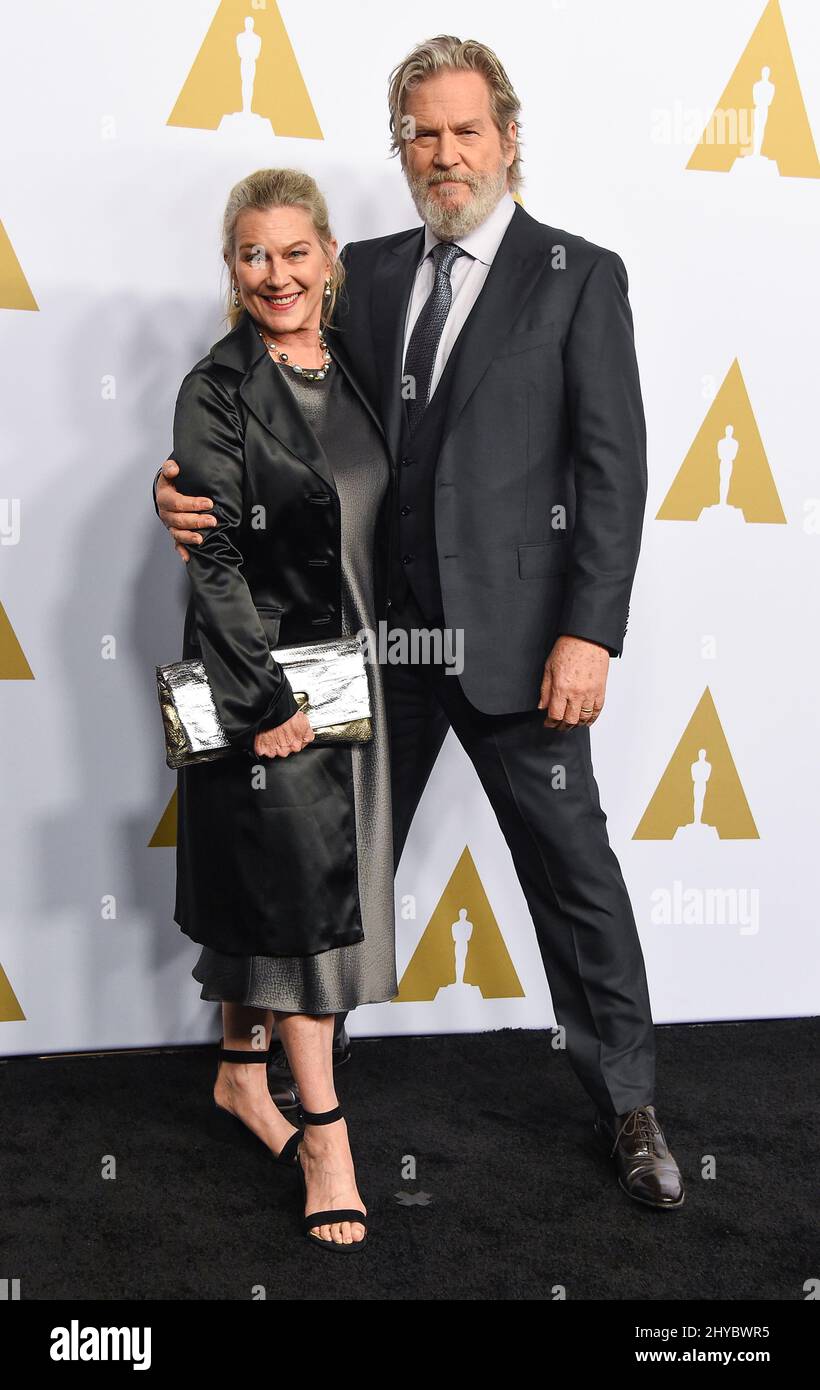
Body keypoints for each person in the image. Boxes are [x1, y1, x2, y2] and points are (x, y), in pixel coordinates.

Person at [156, 36, 684, 1209]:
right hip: (371, 645)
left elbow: (612, 470)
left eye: (464, 131)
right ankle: (268, 1064)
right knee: (309, 854)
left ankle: (632, 1103)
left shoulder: (577, 275)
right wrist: (183, 483)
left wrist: (588, 631)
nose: (444, 154)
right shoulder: (373, 271)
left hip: (520, 645)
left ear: (507, 137)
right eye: (422, 135)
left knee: (572, 873)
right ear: (400, 147)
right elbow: (278, 397)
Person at [166, 167, 399, 1250]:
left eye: (294, 251)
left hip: (353, 675)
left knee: (278, 884)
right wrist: (261, 699)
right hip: (266, 680)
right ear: (231, 268)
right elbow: (208, 552)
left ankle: (238, 1076)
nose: (276, 274)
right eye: (253, 255)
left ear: (327, 257)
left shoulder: (353, 365)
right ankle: (328, 1141)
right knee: (303, 904)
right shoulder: (215, 387)